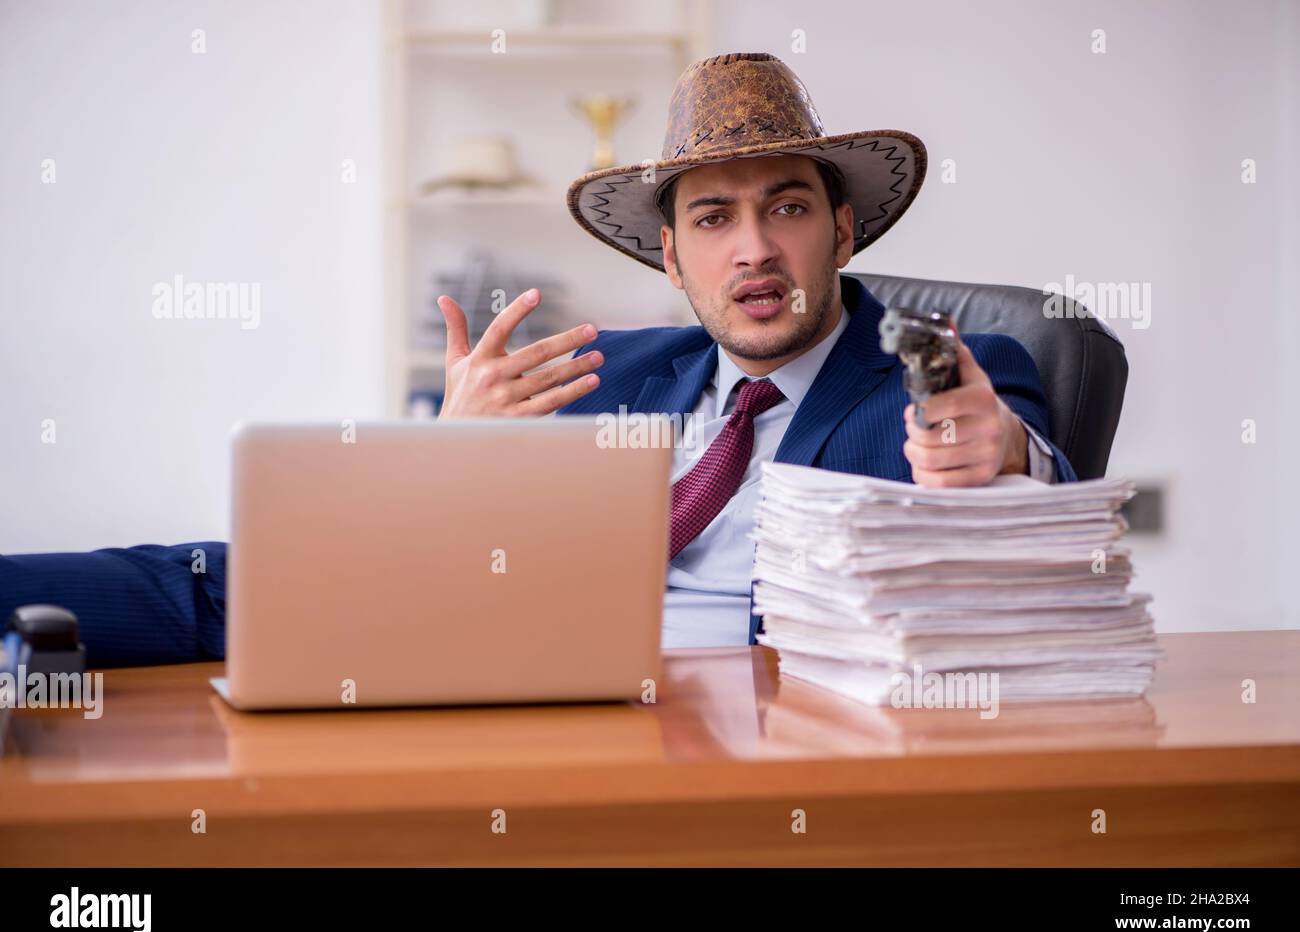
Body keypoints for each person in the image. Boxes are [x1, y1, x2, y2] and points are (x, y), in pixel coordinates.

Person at [0, 52, 1072, 663]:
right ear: (670, 258)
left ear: (842, 232)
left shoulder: (946, 376)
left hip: (760, 743)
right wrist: (441, 461)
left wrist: (1008, 461)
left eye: (785, 206)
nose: (750, 246)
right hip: (528, 685)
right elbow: (396, 556)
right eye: (710, 219)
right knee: (247, 581)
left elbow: (1020, 471)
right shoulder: (596, 368)